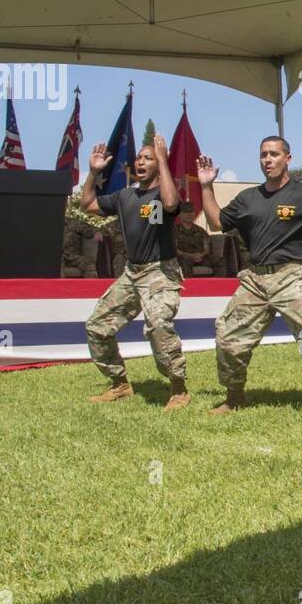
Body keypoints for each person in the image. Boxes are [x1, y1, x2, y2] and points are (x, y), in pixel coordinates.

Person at [196, 138, 302, 422]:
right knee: (228, 336)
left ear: (288, 159)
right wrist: (206, 186)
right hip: (255, 280)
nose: (267, 160)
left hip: (291, 278)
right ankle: (235, 397)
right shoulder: (248, 198)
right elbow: (216, 223)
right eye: (263, 155)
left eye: (273, 154)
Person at [81, 135, 190, 410]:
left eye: (148, 158)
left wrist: (164, 160)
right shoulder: (125, 196)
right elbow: (87, 205)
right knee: (97, 327)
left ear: (158, 163)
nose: (141, 162)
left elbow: (168, 204)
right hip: (132, 273)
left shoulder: (162, 193)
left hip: (159, 272)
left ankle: (178, 388)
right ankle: (119, 384)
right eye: (139, 158)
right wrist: (93, 173)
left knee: (157, 325)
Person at [173, 202, 213, 276]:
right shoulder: (174, 231)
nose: (189, 215)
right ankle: (188, 286)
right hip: (183, 258)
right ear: (179, 215)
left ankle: (221, 285)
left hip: (201, 258)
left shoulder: (201, 230)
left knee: (219, 260)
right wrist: (191, 256)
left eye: (191, 211)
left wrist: (201, 255)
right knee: (185, 260)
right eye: (185, 212)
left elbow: (207, 249)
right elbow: (175, 251)